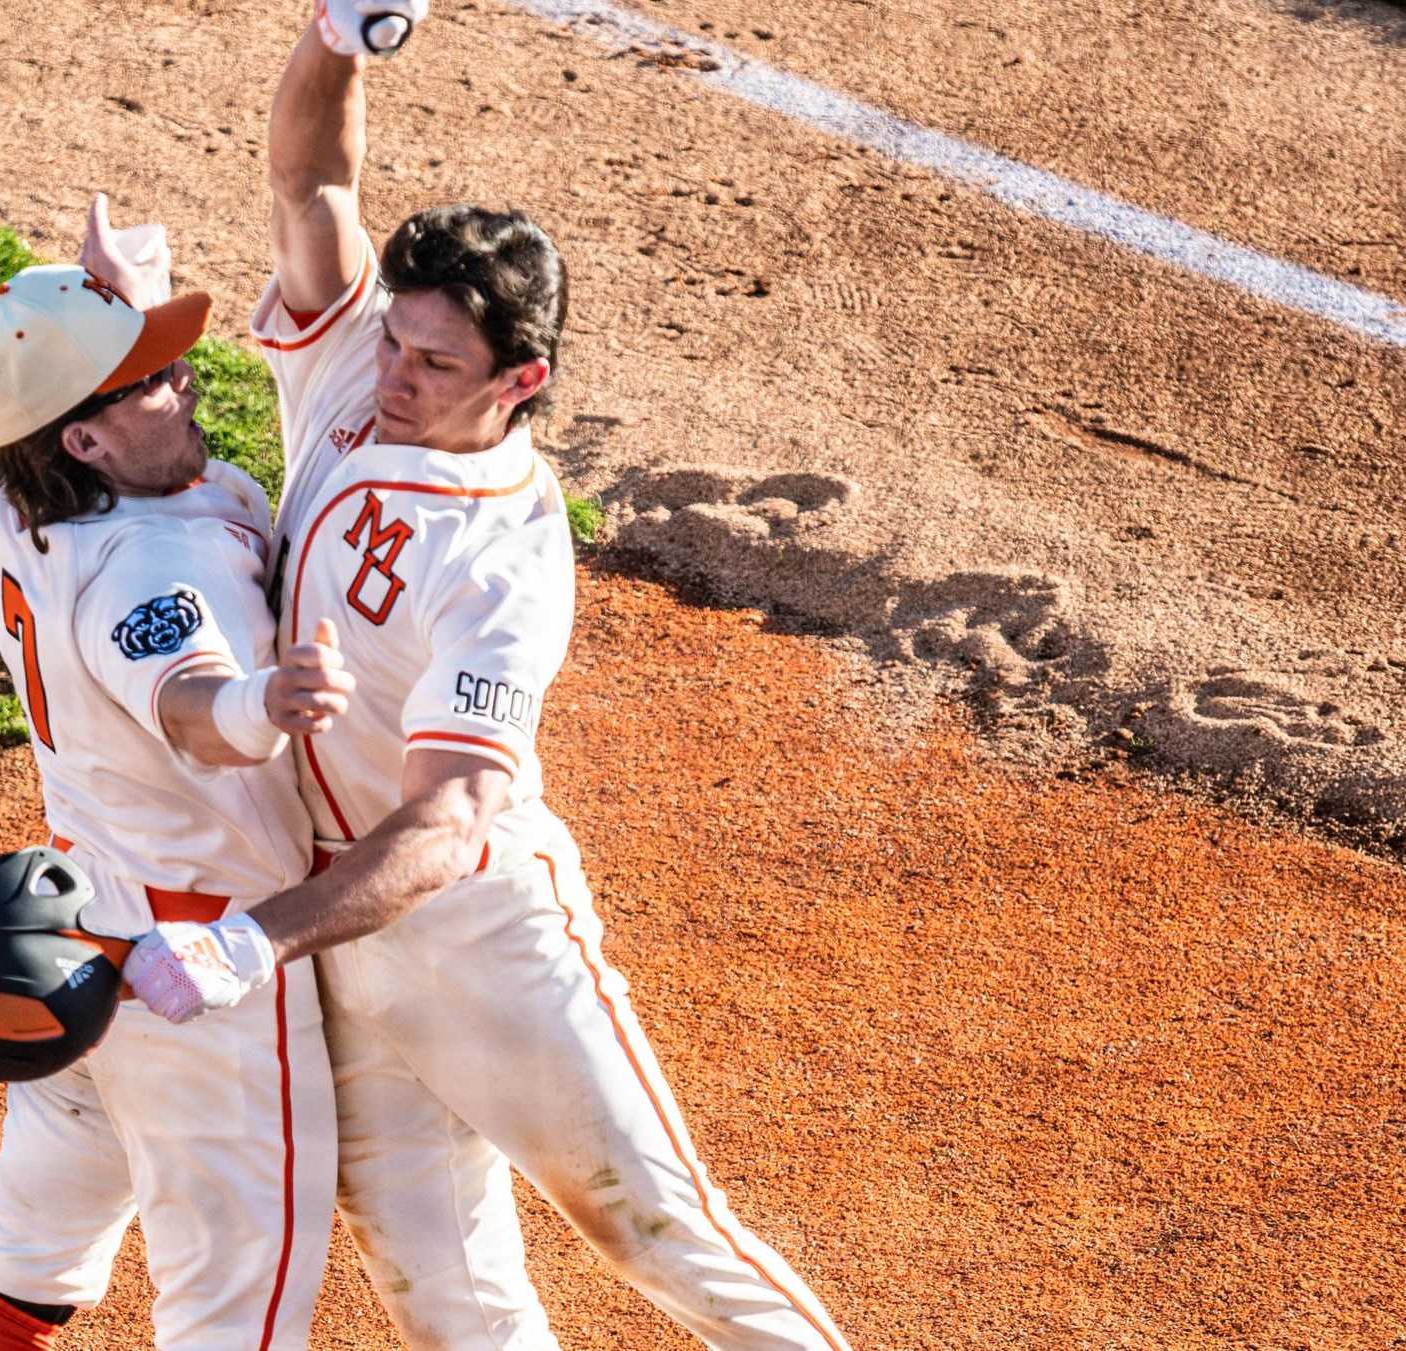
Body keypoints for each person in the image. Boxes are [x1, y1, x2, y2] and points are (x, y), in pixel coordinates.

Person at [118, 8, 854, 1350]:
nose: (392, 377)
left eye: (434, 364)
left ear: (523, 380)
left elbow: (452, 819)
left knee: (661, 1230)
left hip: (474, 933)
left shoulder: (504, 551)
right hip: (342, 936)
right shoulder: (357, 376)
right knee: (445, 1293)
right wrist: (338, 35)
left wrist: (253, 937)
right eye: (394, 345)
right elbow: (311, 179)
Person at [0, 196, 354, 1351]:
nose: (188, 381)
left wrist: (115, 306)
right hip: (196, 984)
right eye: (154, 377)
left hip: (78, 943)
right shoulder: (147, 573)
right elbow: (189, 702)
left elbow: (66, 401)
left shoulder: (15, 500)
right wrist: (262, 703)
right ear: (85, 439)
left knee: (19, 1281)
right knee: (233, 1322)